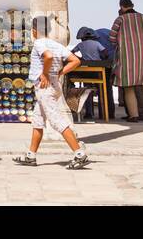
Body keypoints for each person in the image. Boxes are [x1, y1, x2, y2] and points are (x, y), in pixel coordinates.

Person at [14, 16, 91, 169]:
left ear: (34, 31)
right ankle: (31, 155)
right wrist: (59, 72)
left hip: (45, 87)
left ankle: (79, 153)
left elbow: (47, 56)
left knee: (56, 120)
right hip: (54, 85)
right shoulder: (56, 45)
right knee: (37, 120)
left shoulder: (39, 43)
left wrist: (45, 74)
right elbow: (75, 61)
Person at [110, 0, 143, 122]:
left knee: (128, 87)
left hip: (126, 58)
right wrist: (141, 44)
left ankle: (134, 115)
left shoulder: (120, 19)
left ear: (121, 6)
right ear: (132, 5)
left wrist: (124, 44)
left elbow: (112, 39)